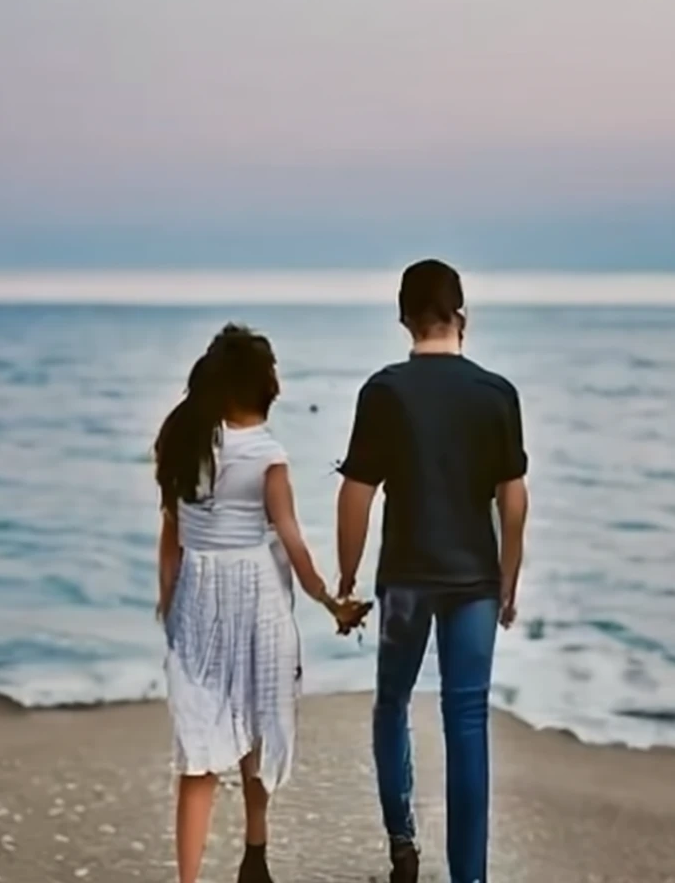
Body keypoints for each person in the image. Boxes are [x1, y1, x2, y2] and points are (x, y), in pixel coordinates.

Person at [335, 260, 529, 883]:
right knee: (466, 720)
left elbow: (356, 495)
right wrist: (509, 576)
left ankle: (403, 845)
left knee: (392, 704)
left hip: (407, 582)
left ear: (403, 320)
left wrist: (346, 579)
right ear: (461, 319)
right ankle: (469, 877)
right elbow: (514, 499)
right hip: (474, 579)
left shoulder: (384, 390)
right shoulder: (497, 393)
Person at [154, 323, 368, 883]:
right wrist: (331, 601)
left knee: (197, 749)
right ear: (263, 388)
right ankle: (255, 851)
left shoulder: (186, 443)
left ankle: (189, 879)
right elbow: (292, 542)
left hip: (197, 599)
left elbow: (171, 536)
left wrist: (169, 606)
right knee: (259, 720)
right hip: (256, 598)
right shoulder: (269, 456)